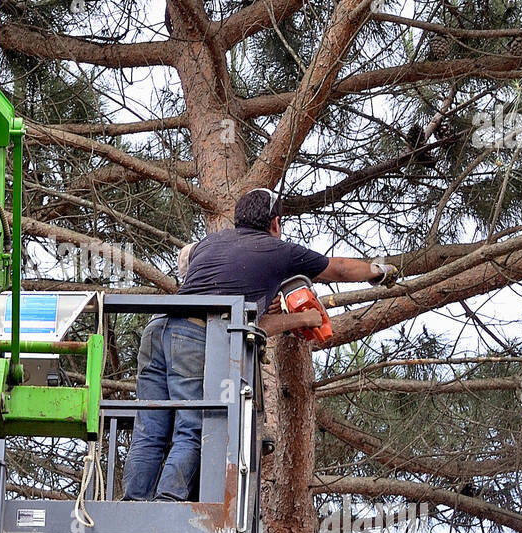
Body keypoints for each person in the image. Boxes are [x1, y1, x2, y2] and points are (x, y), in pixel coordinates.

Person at [122, 187, 397, 501]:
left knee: (151, 427)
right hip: (193, 335)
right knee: (194, 426)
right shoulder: (278, 251)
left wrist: (293, 318)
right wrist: (377, 271)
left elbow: (241, 314)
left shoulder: (211, 242)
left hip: (158, 329)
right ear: (276, 223)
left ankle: (134, 502)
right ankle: (167, 505)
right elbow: (341, 268)